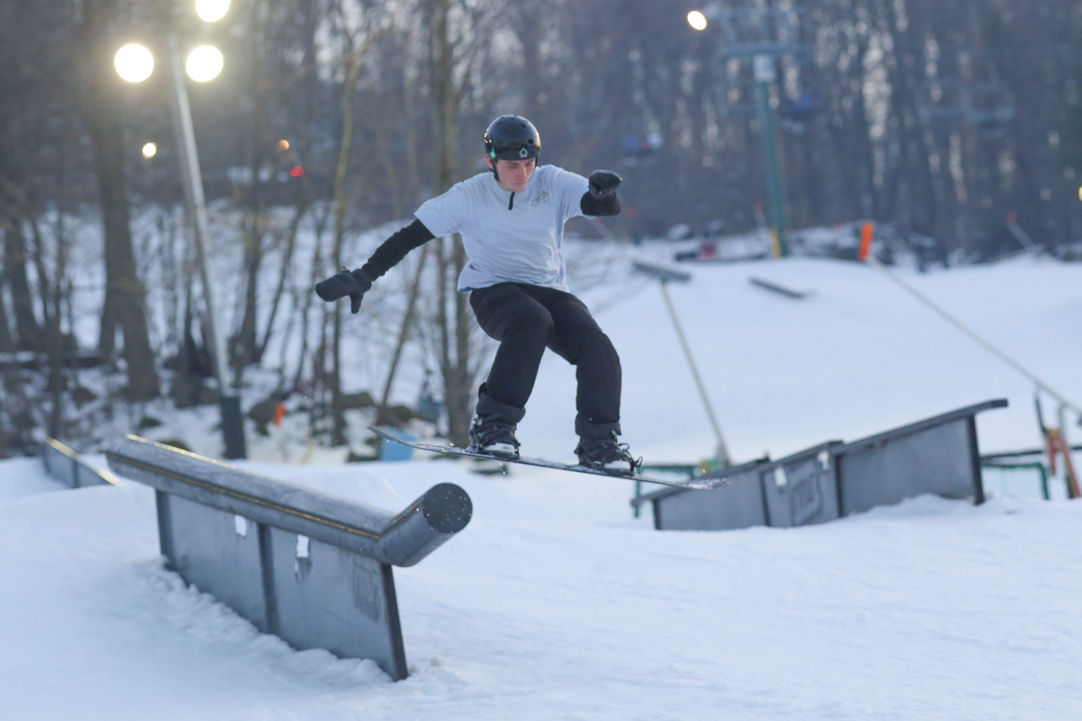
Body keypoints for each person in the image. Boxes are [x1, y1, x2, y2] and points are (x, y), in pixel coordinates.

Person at [315, 114, 638, 474]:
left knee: (597, 345)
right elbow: (410, 236)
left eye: (529, 164)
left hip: (550, 290)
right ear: (491, 162)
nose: (523, 174)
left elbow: (597, 206)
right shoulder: (469, 195)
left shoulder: (552, 182)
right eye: (513, 166)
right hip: (493, 291)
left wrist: (605, 195)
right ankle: (492, 427)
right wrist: (365, 275)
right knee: (532, 321)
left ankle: (600, 443)